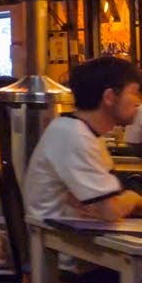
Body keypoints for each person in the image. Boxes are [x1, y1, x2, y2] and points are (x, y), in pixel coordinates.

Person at [23, 56, 142, 231]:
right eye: (133, 92)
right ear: (109, 97)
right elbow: (110, 210)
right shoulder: (74, 135)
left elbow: (102, 203)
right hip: (60, 247)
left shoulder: (84, 131)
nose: (137, 101)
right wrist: (133, 198)